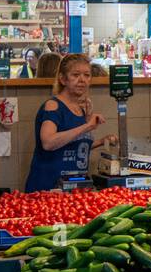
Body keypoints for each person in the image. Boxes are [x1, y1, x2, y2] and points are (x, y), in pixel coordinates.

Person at [24, 53, 118, 192]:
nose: (82, 80)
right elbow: (48, 142)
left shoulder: (82, 108)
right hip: (48, 189)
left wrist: (102, 141)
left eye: (87, 75)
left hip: (75, 188)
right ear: (63, 79)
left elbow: (73, 146)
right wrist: (87, 126)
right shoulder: (53, 106)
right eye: (75, 75)